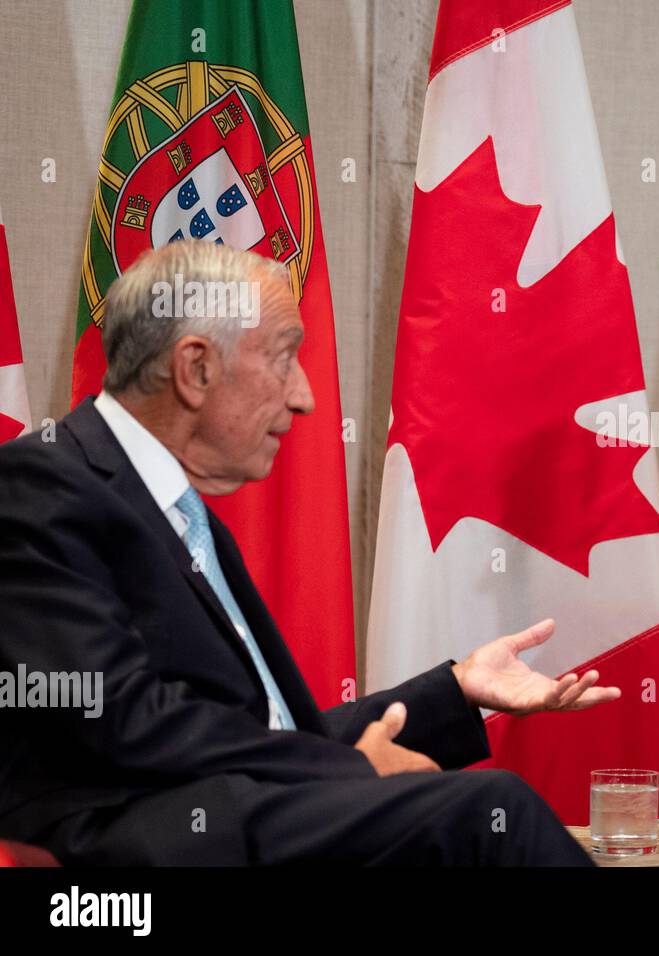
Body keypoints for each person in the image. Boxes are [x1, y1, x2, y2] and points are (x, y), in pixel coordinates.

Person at [0, 240, 616, 866]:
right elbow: (123, 719)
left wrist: (457, 690)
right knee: (493, 816)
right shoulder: (38, 486)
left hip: (237, 821)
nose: (305, 397)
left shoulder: (184, 515)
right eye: (285, 358)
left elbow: (271, 738)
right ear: (195, 369)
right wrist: (348, 768)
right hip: (146, 859)